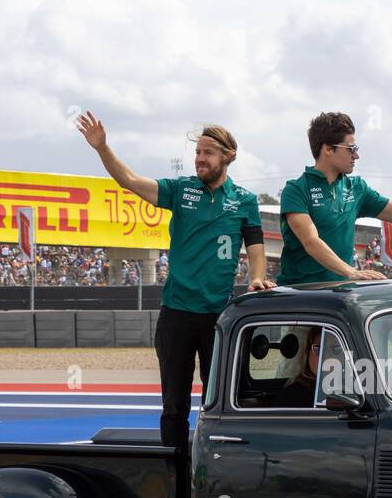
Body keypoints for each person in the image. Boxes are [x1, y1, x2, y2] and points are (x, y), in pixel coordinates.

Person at [77, 112, 275, 448]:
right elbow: (128, 180)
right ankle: (174, 477)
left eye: (208, 152)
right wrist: (102, 148)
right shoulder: (181, 190)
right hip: (177, 314)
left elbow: (256, 250)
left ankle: (212, 472)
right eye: (197, 152)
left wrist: (257, 278)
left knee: (219, 405)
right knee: (174, 408)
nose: (200, 158)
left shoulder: (243, 200)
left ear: (227, 157)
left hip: (219, 317)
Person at [277, 111, 392, 286]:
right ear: (328, 149)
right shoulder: (296, 190)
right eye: (351, 149)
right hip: (299, 295)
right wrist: (350, 272)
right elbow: (311, 241)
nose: (356, 155)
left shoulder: (357, 188)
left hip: (338, 295)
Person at [276, 327, 322, 408]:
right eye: (318, 348)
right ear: (307, 353)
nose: (324, 355)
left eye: (335, 350)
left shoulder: (348, 390)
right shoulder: (292, 395)